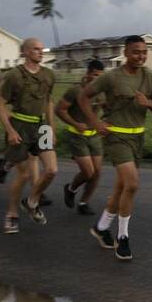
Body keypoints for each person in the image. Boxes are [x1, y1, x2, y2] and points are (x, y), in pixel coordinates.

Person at [79, 38, 152, 261]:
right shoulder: (111, 77)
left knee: (121, 188)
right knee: (132, 184)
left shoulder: (150, 77)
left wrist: (149, 104)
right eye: (136, 52)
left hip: (138, 137)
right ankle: (123, 237)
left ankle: (101, 227)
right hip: (116, 136)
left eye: (144, 52)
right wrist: (95, 123)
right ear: (125, 52)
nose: (141, 56)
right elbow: (84, 97)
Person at [0, 37, 57, 234]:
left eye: (42, 49)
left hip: (41, 126)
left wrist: (51, 127)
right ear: (26, 52)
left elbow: (48, 101)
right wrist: (10, 130)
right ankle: (11, 215)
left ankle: (31, 201)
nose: (40, 52)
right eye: (36, 49)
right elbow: (0, 103)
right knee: (25, 174)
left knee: (52, 170)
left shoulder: (48, 75)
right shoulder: (14, 76)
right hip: (20, 126)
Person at [56, 59, 106, 216]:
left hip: (95, 136)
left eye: (101, 76)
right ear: (88, 73)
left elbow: (107, 107)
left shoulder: (100, 91)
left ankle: (84, 203)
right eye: (95, 75)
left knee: (97, 173)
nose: (98, 79)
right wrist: (76, 123)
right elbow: (59, 110)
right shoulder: (75, 90)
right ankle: (70, 189)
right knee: (88, 172)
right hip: (77, 135)